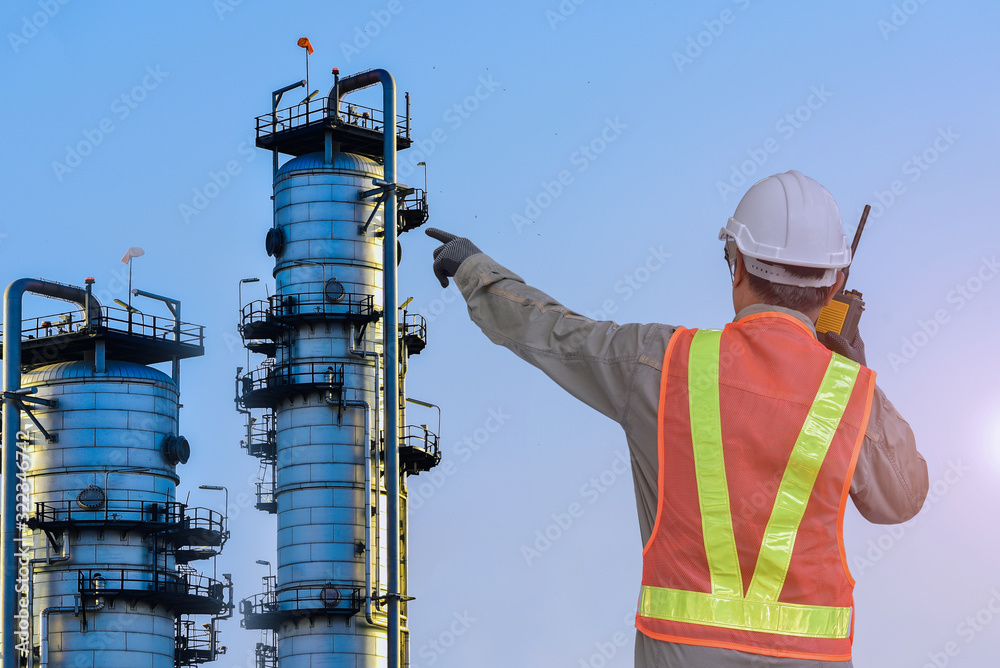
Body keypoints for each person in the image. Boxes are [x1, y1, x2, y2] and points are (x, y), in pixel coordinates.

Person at [425, 170, 928, 667]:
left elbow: (555, 335)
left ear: (736, 266)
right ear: (836, 280)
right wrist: (858, 380)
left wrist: (475, 270)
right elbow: (902, 499)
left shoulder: (661, 364)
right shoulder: (848, 395)